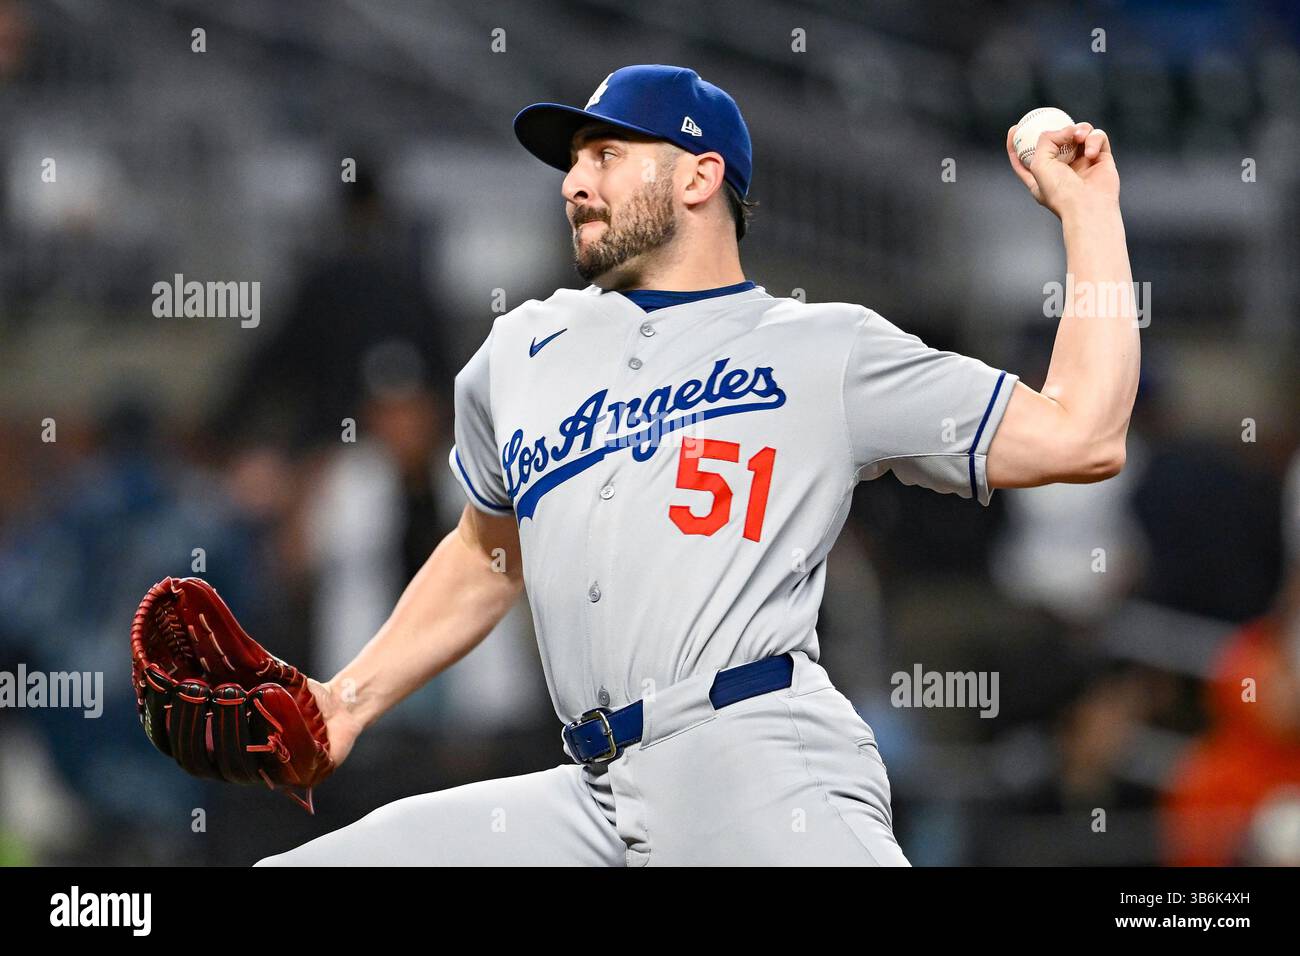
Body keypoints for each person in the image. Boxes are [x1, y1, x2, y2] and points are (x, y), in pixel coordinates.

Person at [256, 64, 1137, 866]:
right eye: (572, 162)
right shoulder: (517, 354)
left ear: (699, 174)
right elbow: (490, 549)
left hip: (756, 763)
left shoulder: (826, 351)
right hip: (589, 793)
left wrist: (1089, 212)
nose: (573, 183)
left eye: (605, 153)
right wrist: (348, 700)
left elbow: (1082, 434)